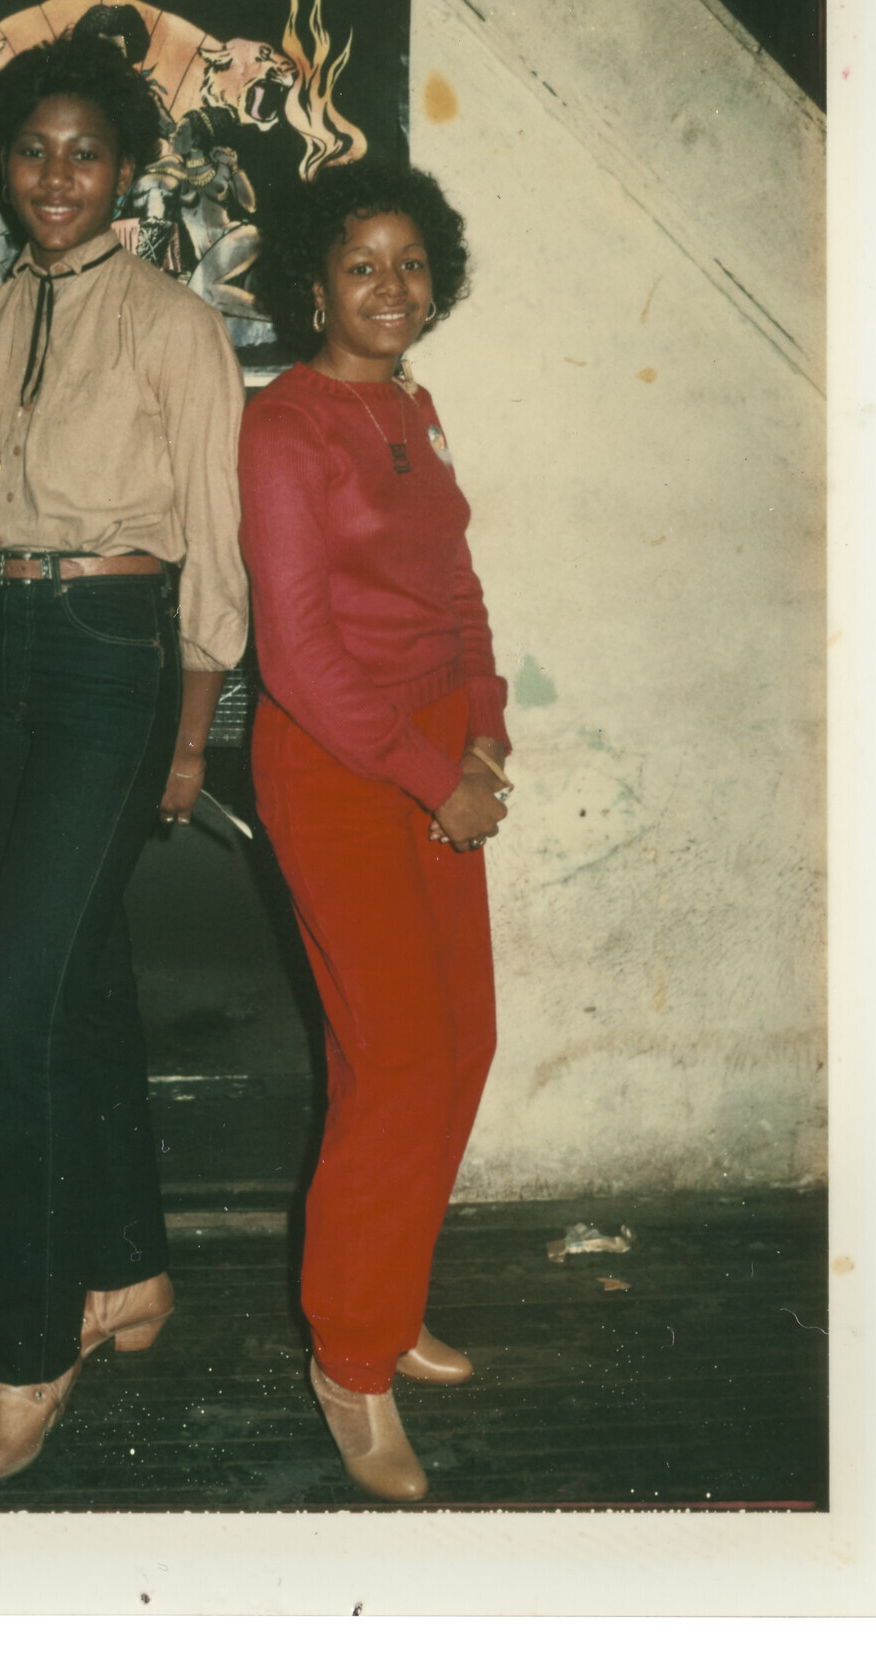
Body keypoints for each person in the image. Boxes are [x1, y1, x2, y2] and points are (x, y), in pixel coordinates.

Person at [0, 31, 247, 1490]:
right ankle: (126, 1269)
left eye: (88, 153)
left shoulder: (177, 324)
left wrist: (191, 724)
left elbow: (215, 541)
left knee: (9, 1022)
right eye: (36, 151)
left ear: (126, 170)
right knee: (77, 979)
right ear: (9, 166)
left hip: (117, 655)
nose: (59, 176)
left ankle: (25, 1345)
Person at [240, 158, 509, 1499]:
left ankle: (386, 1298)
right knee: (398, 1054)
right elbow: (297, 655)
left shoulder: (414, 402)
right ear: (314, 280)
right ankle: (349, 1361)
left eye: (411, 261)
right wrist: (429, 770)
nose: (390, 285)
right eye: (363, 263)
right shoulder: (286, 426)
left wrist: (488, 727)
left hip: (433, 752)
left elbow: (456, 579)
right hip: (342, 766)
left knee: (459, 1041)